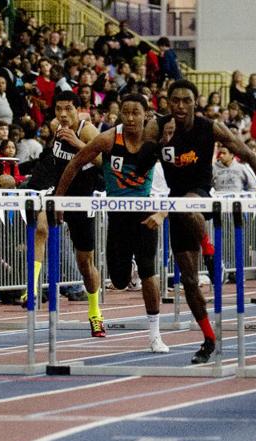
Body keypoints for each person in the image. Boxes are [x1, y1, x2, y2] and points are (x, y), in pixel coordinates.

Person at [150, 79, 256, 364]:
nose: (180, 106)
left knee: (188, 206)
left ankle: (209, 250)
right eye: (175, 101)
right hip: (175, 203)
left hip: (201, 195)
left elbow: (250, 156)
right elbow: (136, 153)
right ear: (167, 103)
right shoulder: (158, 127)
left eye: (186, 101)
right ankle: (209, 339)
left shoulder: (210, 127)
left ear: (196, 103)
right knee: (190, 283)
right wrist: (156, 142)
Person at [56, 94, 169, 353]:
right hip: (117, 214)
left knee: (148, 272)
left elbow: (172, 183)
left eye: (135, 113)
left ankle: (154, 334)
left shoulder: (154, 143)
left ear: (145, 115)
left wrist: (161, 213)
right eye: (125, 113)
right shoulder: (108, 139)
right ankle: (127, 264)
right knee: (117, 281)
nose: (130, 118)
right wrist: (58, 200)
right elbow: (75, 163)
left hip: (145, 213)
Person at [25, 91, 107, 337]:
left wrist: (77, 143)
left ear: (78, 110)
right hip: (58, 190)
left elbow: (104, 160)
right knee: (40, 227)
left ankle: (95, 312)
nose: (62, 114)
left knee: (85, 263)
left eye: (68, 109)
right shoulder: (54, 125)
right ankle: (32, 288)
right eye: (59, 109)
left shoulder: (88, 130)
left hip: (82, 196)